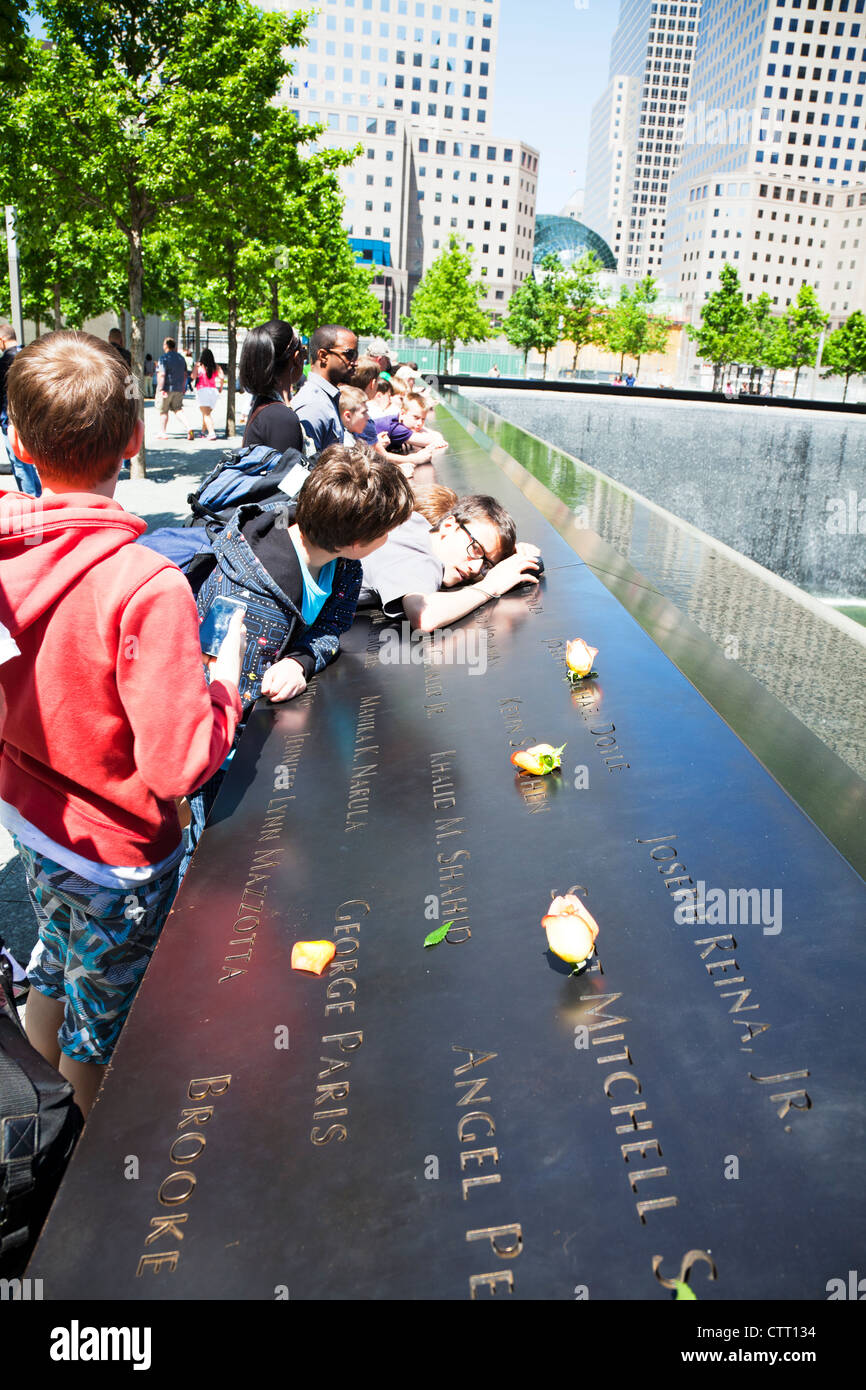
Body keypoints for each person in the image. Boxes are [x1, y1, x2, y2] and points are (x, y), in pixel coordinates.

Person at [0, 330, 244, 1116]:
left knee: (56, 963)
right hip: (118, 857)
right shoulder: (144, 585)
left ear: (20, 441)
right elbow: (176, 766)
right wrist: (225, 692)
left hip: (34, 824)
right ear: (136, 440)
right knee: (101, 1033)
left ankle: (27, 1119)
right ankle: (69, 1182)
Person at [182, 444, 414, 877]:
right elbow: (214, 715)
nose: (390, 540)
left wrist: (302, 659)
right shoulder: (243, 602)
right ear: (356, 541)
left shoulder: (342, 566)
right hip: (225, 773)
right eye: (386, 532)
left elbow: (334, 623)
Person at [358, 493, 542, 631]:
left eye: (486, 564)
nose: (476, 568)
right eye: (476, 549)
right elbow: (424, 616)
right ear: (448, 526)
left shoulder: (416, 523)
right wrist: (491, 585)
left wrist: (511, 556)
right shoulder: (421, 559)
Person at [238, 319, 306, 453]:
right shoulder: (280, 418)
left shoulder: (265, 406)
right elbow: (288, 473)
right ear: (296, 358)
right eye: (303, 352)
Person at [291, 324, 358, 457]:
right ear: (323, 355)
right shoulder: (313, 405)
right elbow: (308, 468)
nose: (355, 362)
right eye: (350, 354)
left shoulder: (326, 398)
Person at [0, 322, 40, 496]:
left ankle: (31, 498)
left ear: (2, 340)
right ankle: (38, 496)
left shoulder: (4, 363)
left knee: (19, 464)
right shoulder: (29, 357)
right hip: (30, 417)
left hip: (9, 419)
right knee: (29, 462)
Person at [156, 336, 191, 439]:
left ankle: (162, 432)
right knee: (178, 409)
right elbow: (185, 374)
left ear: (166, 346)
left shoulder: (164, 358)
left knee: (163, 411)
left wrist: (160, 388)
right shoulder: (181, 358)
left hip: (167, 388)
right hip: (179, 388)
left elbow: (162, 374)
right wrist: (183, 387)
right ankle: (188, 427)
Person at [194, 346, 224, 441]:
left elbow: (193, 376)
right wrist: (221, 388)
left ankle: (211, 433)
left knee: (206, 414)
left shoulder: (199, 365)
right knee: (206, 413)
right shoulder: (216, 366)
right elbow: (222, 377)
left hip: (202, 390)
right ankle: (203, 432)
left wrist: (196, 368)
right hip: (213, 391)